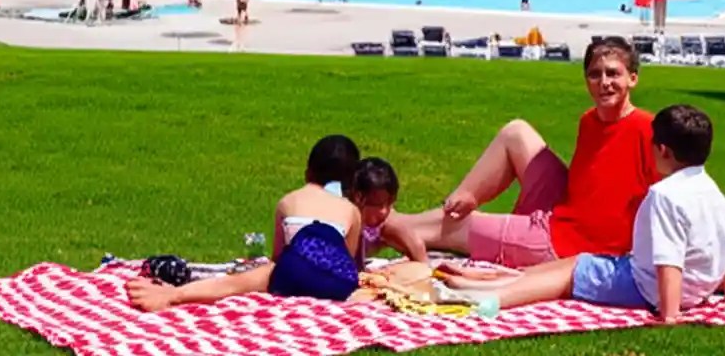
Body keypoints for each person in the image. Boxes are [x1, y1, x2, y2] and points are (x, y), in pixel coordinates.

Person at [437, 105, 725, 323]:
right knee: (577, 263)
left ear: (663, 150)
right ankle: (489, 284)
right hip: (688, 287)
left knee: (575, 273)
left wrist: (669, 315)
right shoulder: (709, 188)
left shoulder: (664, 195)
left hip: (648, 287)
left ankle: (494, 300)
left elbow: (669, 263)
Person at [396, 37, 659, 268]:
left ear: (632, 78)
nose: (604, 83)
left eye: (613, 74)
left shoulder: (648, 130)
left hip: (574, 246)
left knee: (459, 227)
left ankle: (390, 226)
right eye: (595, 74)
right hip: (567, 216)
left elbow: (671, 199)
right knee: (517, 132)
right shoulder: (589, 121)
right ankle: (460, 199)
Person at [127, 135, 363, 311]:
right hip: (340, 283)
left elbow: (279, 257)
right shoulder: (351, 211)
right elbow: (349, 260)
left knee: (235, 283)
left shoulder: (288, 201)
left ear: (308, 171)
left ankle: (173, 296)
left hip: (296, 266)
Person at [352, 158, 427, 266]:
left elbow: (416, 245)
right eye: (378, 205)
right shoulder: (348, 220)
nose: (384, 211)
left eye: (389, 203)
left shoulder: (384, 221)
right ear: (358, 197)